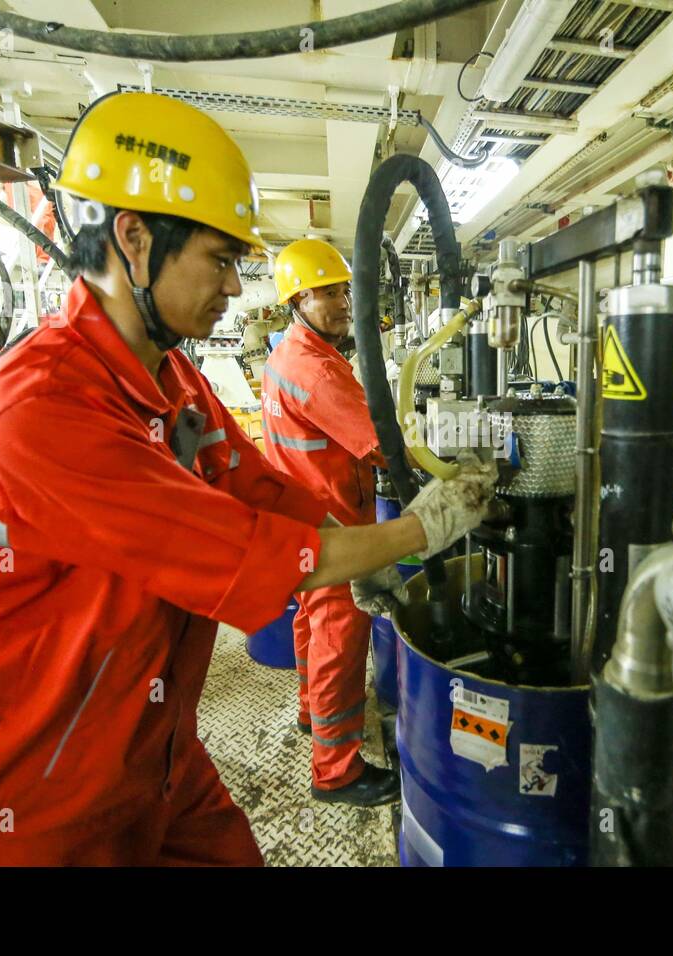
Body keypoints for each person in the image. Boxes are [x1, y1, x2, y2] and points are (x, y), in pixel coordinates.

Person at [0, 91, 495, 867]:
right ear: (134, 239)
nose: (237, 288)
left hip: (143, 741)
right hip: (20, 786)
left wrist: (350, 543)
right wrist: (422, 529)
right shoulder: (44, 404)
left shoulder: (169, 378)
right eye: (222, 260)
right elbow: (234, 546)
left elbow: (257, 486)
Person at [261, 238, 412, 805]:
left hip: (301, 516)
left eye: (344, 289)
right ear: (297, 298)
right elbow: (379, 444)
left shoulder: (285, 355)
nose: (343, 301)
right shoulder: (319, 371)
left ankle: (311, 714)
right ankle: (337, 771)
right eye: (328, 292)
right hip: (335, 523)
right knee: (338, 639)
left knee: (309, 623)